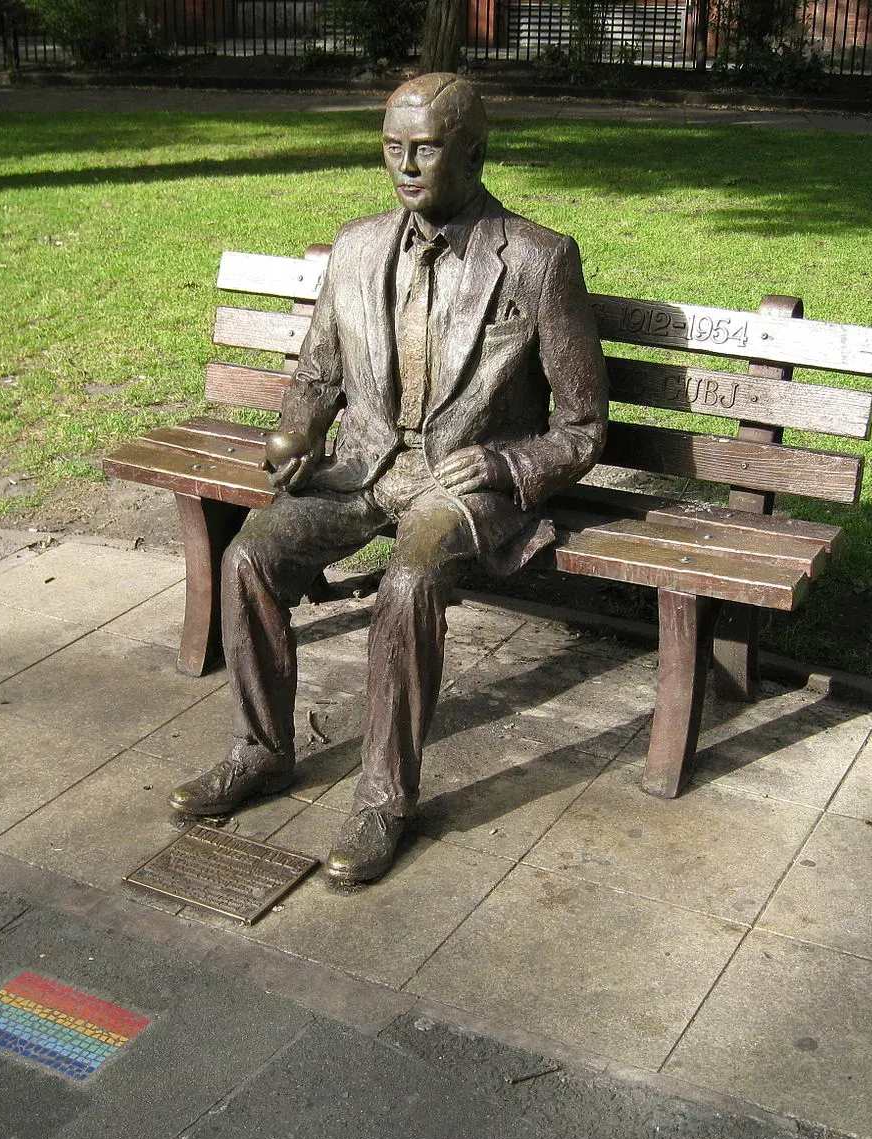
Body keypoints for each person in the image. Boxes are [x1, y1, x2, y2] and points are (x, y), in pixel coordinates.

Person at [169, 73, 608, 884]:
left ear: (474, 152)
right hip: (364, 467)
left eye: (426, 149)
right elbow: (318, 375)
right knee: (250, 558)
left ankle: (383, 800)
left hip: (459, 479)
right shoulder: (359, 246)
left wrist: (511, 462)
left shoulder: (541, 261)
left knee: (408, 587)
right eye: (391, 148)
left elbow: (582, 428)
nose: (405, 166)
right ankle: (261, 749)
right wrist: (300, 425)